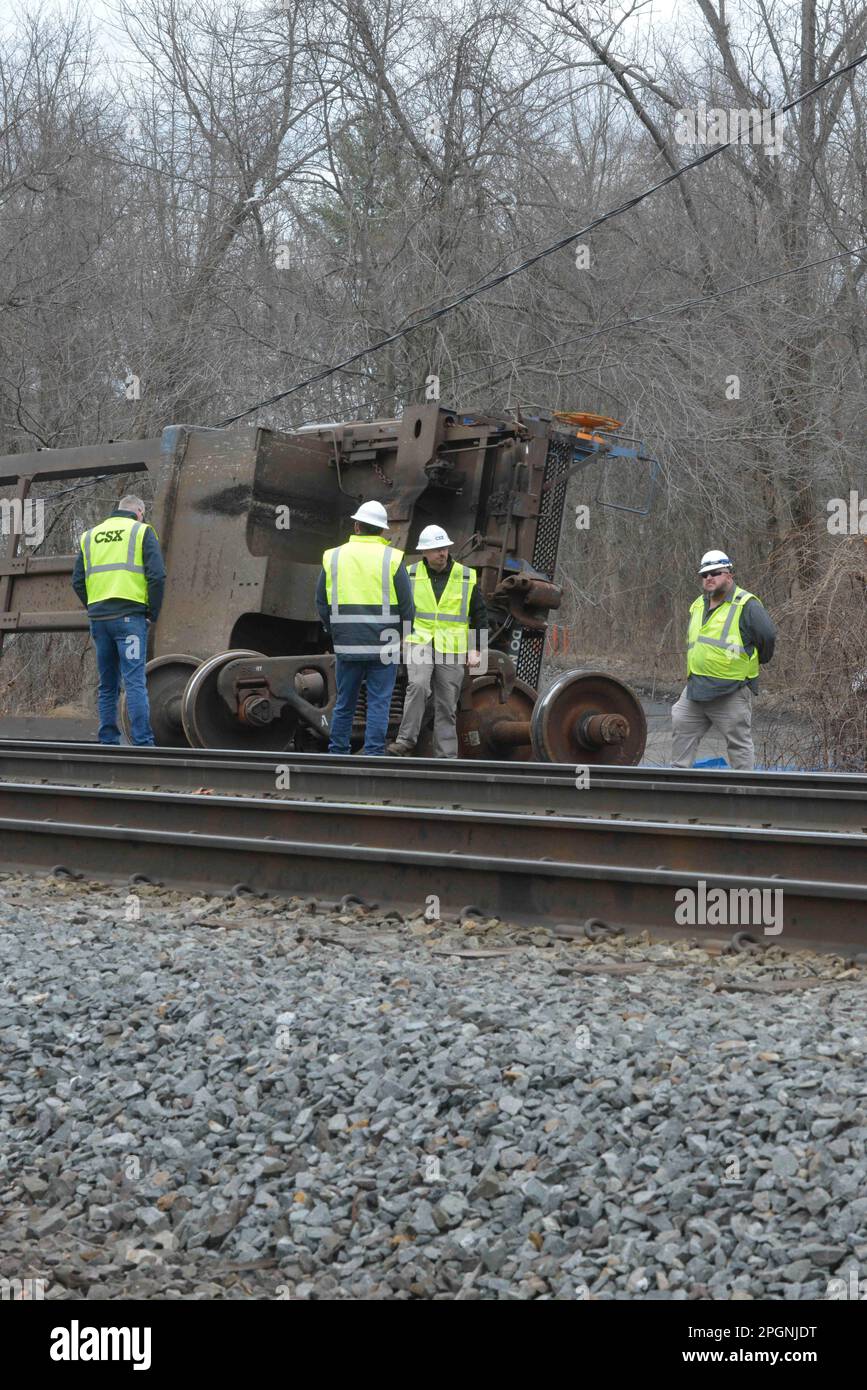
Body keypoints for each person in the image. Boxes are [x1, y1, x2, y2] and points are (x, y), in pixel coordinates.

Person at [316, 500, 414, 755]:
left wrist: (333, 630)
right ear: (382, 531)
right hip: (385, 645)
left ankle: (338, 752)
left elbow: (321, 602)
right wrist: (403, 636)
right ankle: (372, 755)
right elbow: (407, 605)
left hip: (347, 642)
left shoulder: (333, 556)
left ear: (356, 526)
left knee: (344, 703)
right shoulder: (392, 558)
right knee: (379, 703)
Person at [72, 494, 166, 746]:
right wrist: (152, 613)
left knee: (107, 684)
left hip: (99, 620)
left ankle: (108, 741)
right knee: (134, 681)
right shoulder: (142, 531)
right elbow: (157, 576)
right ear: (138, 511)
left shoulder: (90, 536)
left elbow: (77, 582)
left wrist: (95, 606)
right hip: (130, 618)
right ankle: (143, 743)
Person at [387, 524, 488, 758]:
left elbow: (480, 615)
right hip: (419, 641)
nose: (441, 553)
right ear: (424, 552)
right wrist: (401, 634)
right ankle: (405, 741)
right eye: (435, 549)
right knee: (419, 686)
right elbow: (397, 608)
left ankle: (446, 757)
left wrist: (477, 650)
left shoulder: (466, 576)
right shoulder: (409, 574)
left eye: (443, 548)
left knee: (447, 704)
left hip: (451, 647)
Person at [671, 549, 776, 771]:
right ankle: (677, 788)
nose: (709, 578)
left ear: (729, 575)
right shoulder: (698, 604)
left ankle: (743, 796)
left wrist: (759, 661)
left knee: (739, 747)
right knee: (681, 729)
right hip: (696, 689)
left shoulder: (746, 605)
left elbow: (767, 636)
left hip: (731, 691)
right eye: (704, 574)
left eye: (715, 572)